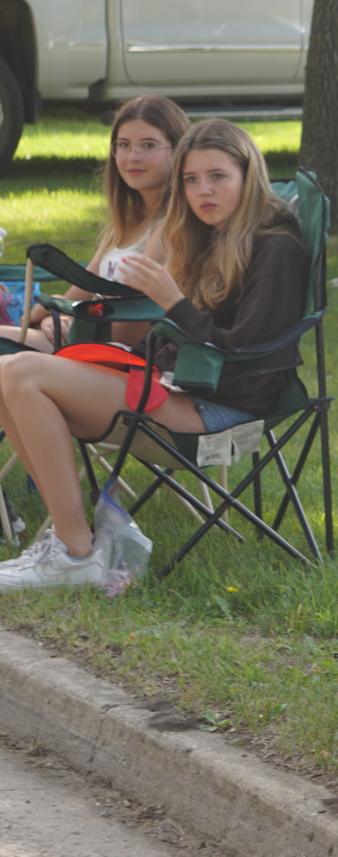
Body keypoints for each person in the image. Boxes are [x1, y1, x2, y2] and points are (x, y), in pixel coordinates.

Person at [0, 118, 311, 589]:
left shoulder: (276, 249)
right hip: (173, 386)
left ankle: (76, 553)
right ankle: (74, 542)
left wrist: (174, 303)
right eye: (190, 179)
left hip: (220, 407)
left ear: (248, 177)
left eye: (217, 176)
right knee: (6, 372)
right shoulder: (210, 237)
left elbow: (244, 353)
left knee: (22, 372)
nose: (202, 190)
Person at [3, 95, 191, 353]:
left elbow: (128, 332)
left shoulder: (167, 230)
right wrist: (57, 311)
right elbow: (67, 298)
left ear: (179, 151)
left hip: (111, 358)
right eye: (123, 145)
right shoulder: (126, 225)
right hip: (79, 340)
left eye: (148, 145)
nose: (132, 156)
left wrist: (66, 314)